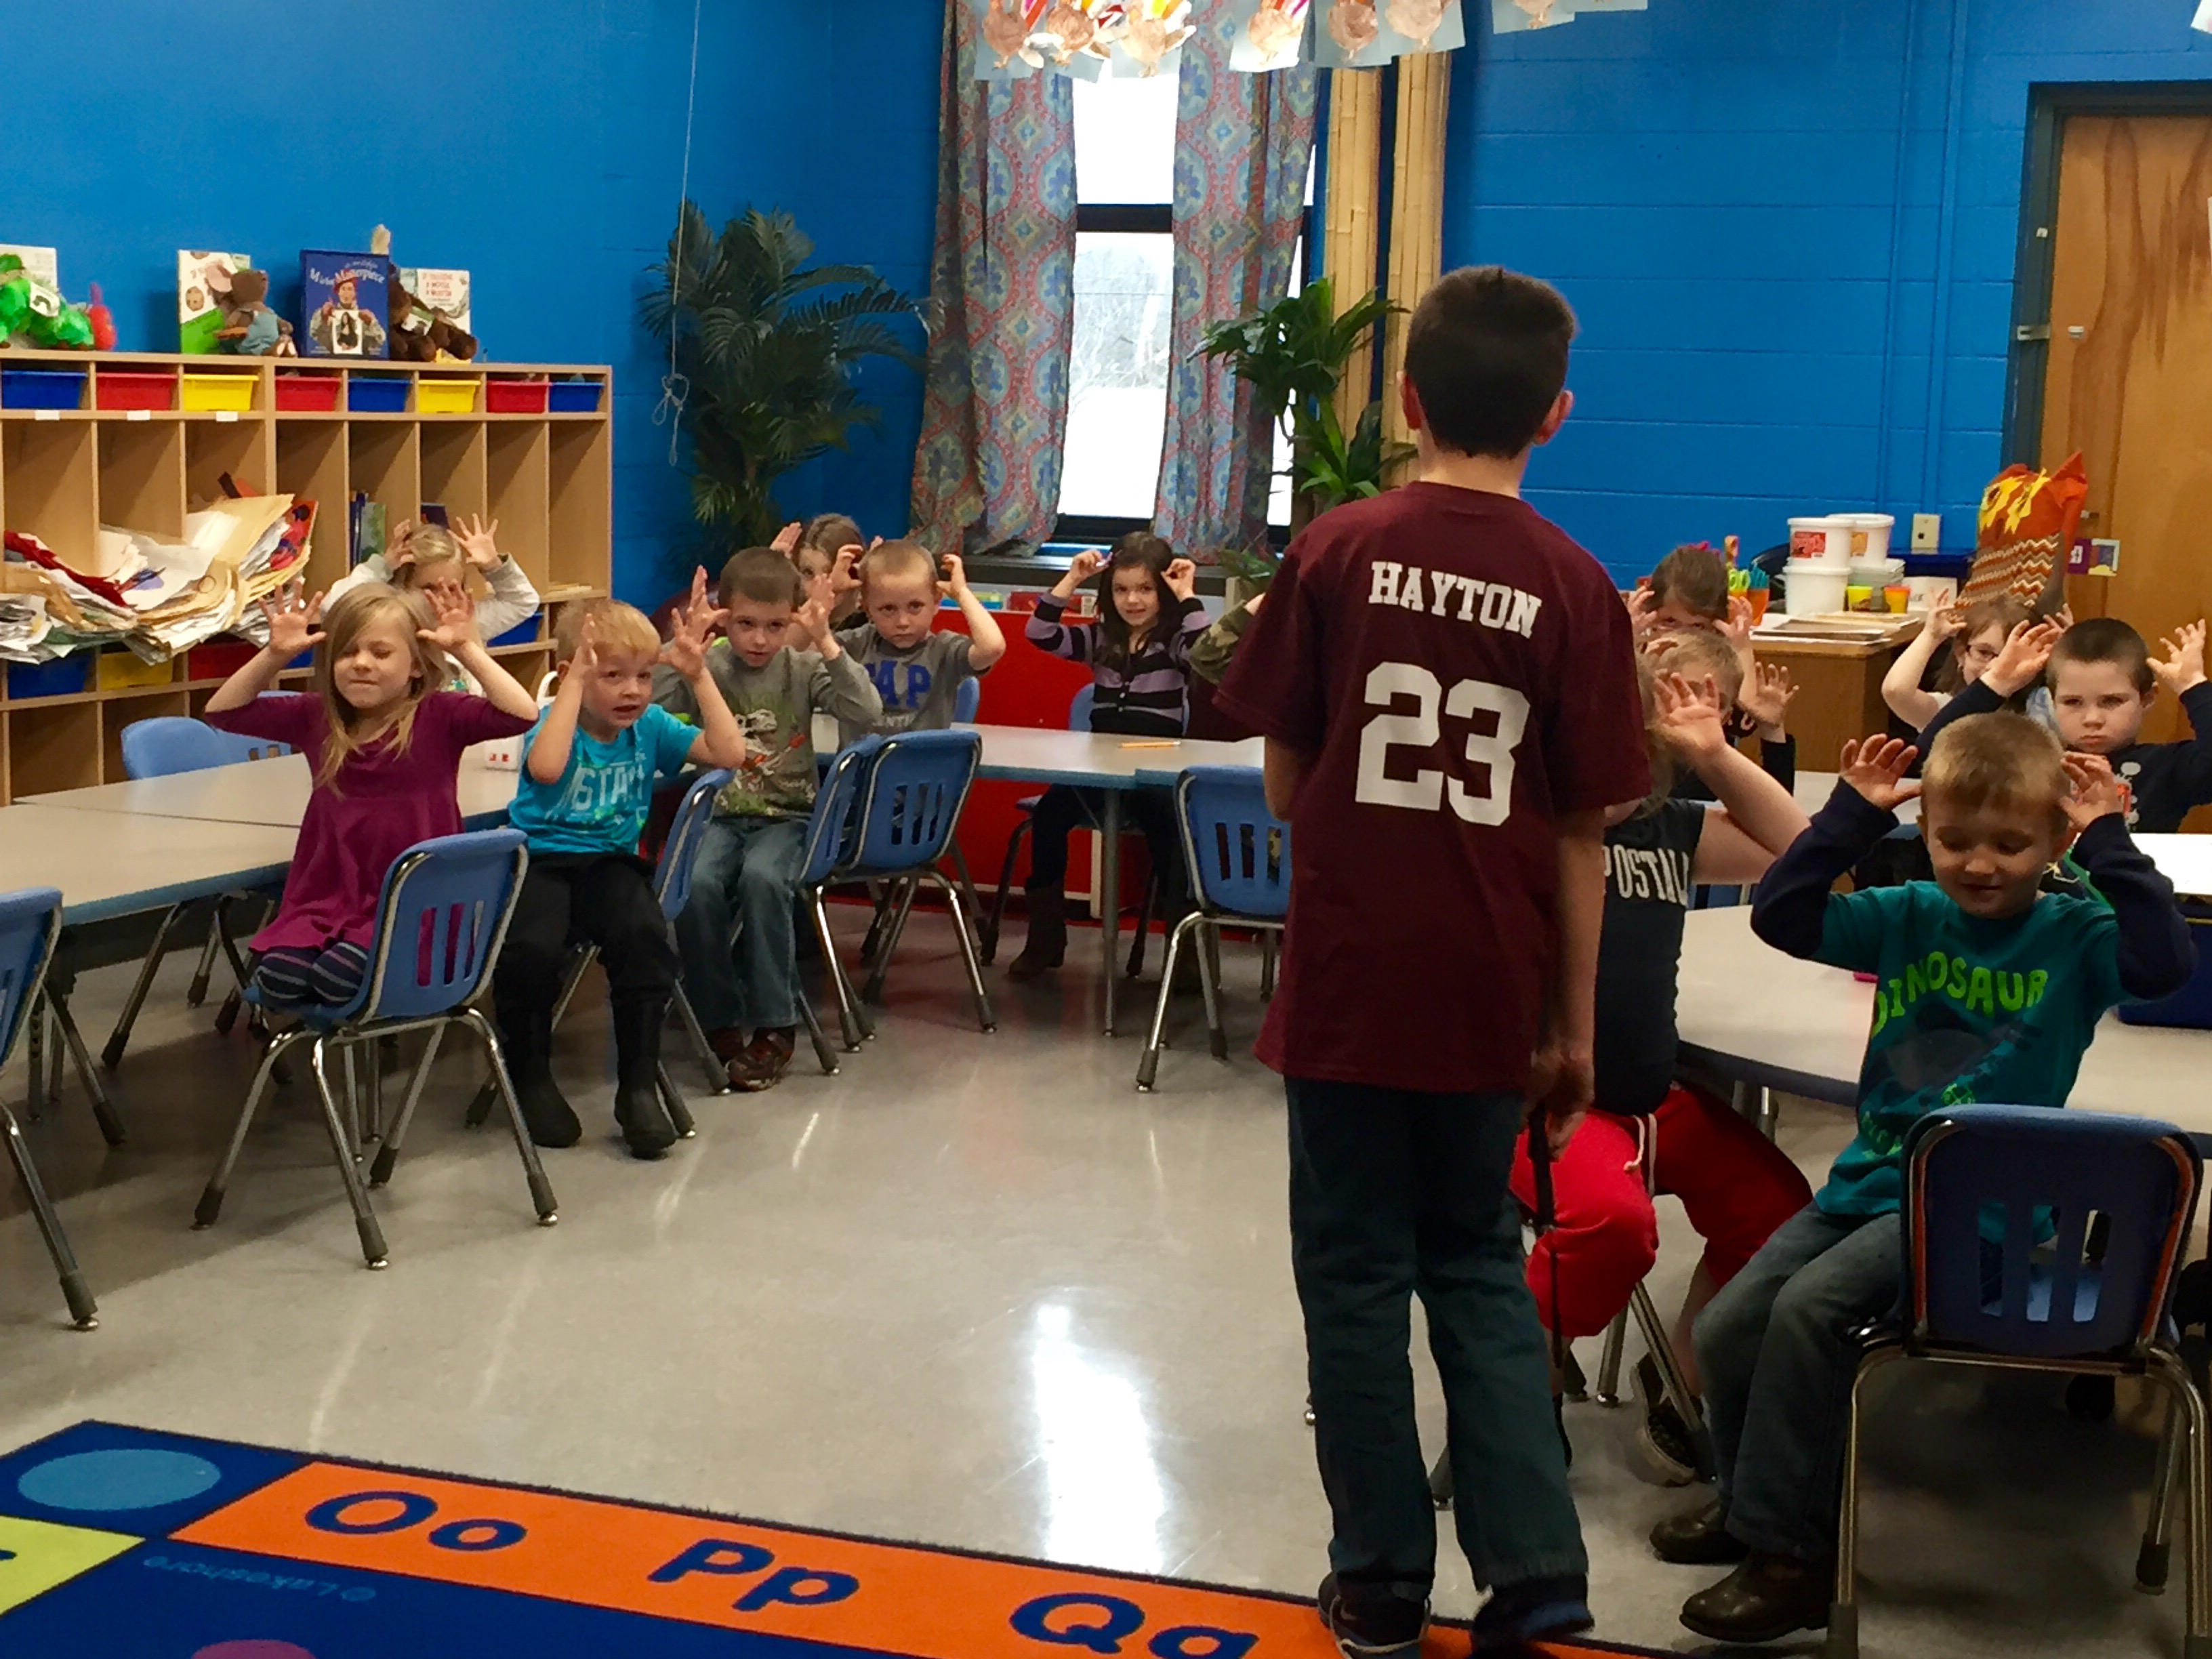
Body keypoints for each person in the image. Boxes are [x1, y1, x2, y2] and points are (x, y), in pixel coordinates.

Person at [1214, 266, 1653, 1654]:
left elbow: (1284, 790)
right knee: (1475, 1260)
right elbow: (1583, 833)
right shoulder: (1581, 590)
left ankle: (1381, 1580)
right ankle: (1535, 1577)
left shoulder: (1337, 551)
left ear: (1406, 402)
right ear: (1557, 417)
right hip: (1489, 992)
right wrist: (1572, 1023)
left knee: (1350, 1280)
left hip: (1348, 985)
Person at [1655, 716, 2193, 1644]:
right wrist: (1851, 820)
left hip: (1973, 1207)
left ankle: (1791, 1555)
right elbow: (1785, 915)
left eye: (2011, 843)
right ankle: (1752, 1505)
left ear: (2055, 841)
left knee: (1812, 1312)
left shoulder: (2077, 932)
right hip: (1871, 1180)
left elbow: (2164, 964)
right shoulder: (1906, 914)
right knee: (1737, 1320)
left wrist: (2112, 838)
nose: (1980, 863)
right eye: (1955, 840)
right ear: (1927, 831)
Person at [1505, 654, 1814, 1483]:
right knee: (1612, 1226)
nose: (1621, 777)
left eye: (1637, 754)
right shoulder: (1523, 832)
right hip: (1554, 1111)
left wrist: (1717, 755)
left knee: (1787, 1220)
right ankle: (1513, 1379)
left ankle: (1680, 1374)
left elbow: (1799, 849)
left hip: (1654, 1102)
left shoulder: (1670, 827)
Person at [497, 581, 747, 1158]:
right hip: (541, 860)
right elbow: (548, 767)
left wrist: (697, 674)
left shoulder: (652, 726)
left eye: (642, 675)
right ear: (574, 675)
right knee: (531, 947)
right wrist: (570, 690)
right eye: (612, 676)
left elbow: (730, 754)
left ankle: (637, 1087)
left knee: (644, 937)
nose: (633, 691)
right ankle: (531, 1075)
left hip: (609, 864)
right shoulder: (550, 722)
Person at [203, 581, 539, 1009]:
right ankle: (334, 1059)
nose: (361, 664)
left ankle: (364, 1053)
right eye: (347, 653)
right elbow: (222, 712)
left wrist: (467, 649)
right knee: (281, 979)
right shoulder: (316, 716)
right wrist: (276, 654)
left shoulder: (439, 715)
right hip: (326, 898)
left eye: (380, 653)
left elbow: (521, 713)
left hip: (407, 906)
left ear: (417, 666)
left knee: (339, 978)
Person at [656, 548, 882, 1092]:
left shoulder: (803, 668)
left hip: (788, 818)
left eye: (776, 625)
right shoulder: (708, 666)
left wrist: (827, 641)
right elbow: (650, 704)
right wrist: (678, 652)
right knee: (697, 884)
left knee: (762, 880)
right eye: (745, 625)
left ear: (793, 619)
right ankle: (716, 1019)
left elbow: (866, 712)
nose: (759, 639)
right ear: (723, 615)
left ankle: (777, 1025)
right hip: (718, 815)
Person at [1006, 533, 1206, 983]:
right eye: (1120, 590)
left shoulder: (1173, 643)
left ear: (1163, 591)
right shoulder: (1100, 639)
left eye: (1145, 589)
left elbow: (1205, 652)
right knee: (1051, 817)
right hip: (1097, 775)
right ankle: (1046, 937)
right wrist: (1071, 578)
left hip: (1155, 776)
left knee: (1170, 837)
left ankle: (1185, 951)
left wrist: (1187, 594)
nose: (1132, 600)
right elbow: (1039, 632)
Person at [1919, 612, 2212, 833]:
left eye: (2112, 702)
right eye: (2072, 702)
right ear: (2052, 700)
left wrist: (2194, 687)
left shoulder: (2166, 768)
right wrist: (1996, 683)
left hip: (2121, 908)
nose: (2093, 719)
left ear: (2147, 699)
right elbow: (1928, 757)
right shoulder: (2028, 760)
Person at [327, 517, 542, 692]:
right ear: (402, 587)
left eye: (451, 588)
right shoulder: (390, 626)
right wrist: (381, 567)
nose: (441, 599)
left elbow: (523, 602)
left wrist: (495, 567)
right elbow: (335, 606)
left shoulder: (464, 621)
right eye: (429, 589)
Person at [835, 543, 1006, 741]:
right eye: (888, 609)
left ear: (936, 602)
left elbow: (993, 647)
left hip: (922, 769)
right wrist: (833, 596)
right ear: (867, 607)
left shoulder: (944, 651)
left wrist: (962, 593)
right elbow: (799, 649)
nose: (903, 622)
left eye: (915, 606)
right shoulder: (857, 644)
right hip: (861, 769)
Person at [1879, 596, 2031, 729]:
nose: (1995, 667)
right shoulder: (1948, 709)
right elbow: (1896, 691)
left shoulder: (2039, 712)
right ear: (1961, 654)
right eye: (1984, 653)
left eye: (2011, 657)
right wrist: (1932, 636)